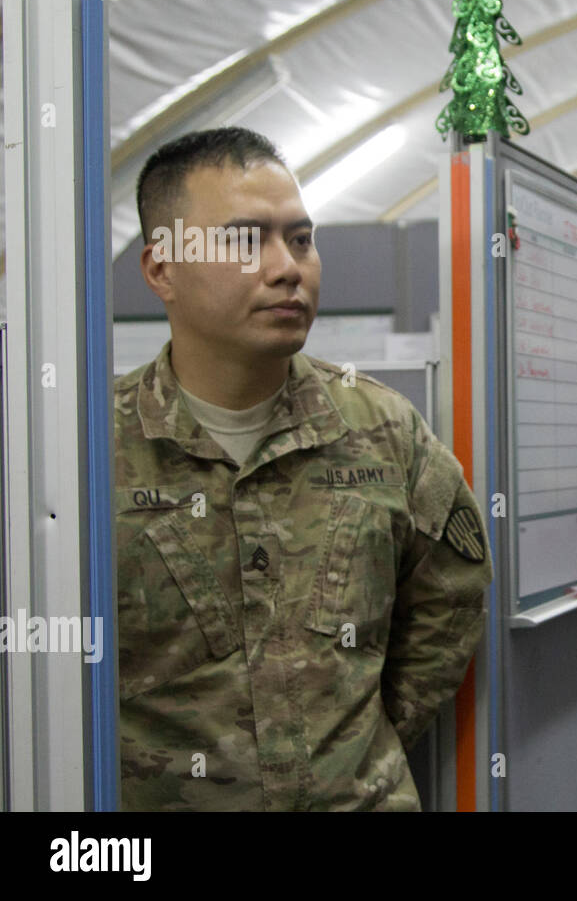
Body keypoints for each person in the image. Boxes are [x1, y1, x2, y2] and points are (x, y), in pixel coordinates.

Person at [116, 127, 490, 810]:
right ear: (161, 268)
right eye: (244, 240)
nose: (288, 267)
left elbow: (451, 594)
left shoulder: (382, 430)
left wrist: (362, 744)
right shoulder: (91, 451)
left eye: (301, 239)